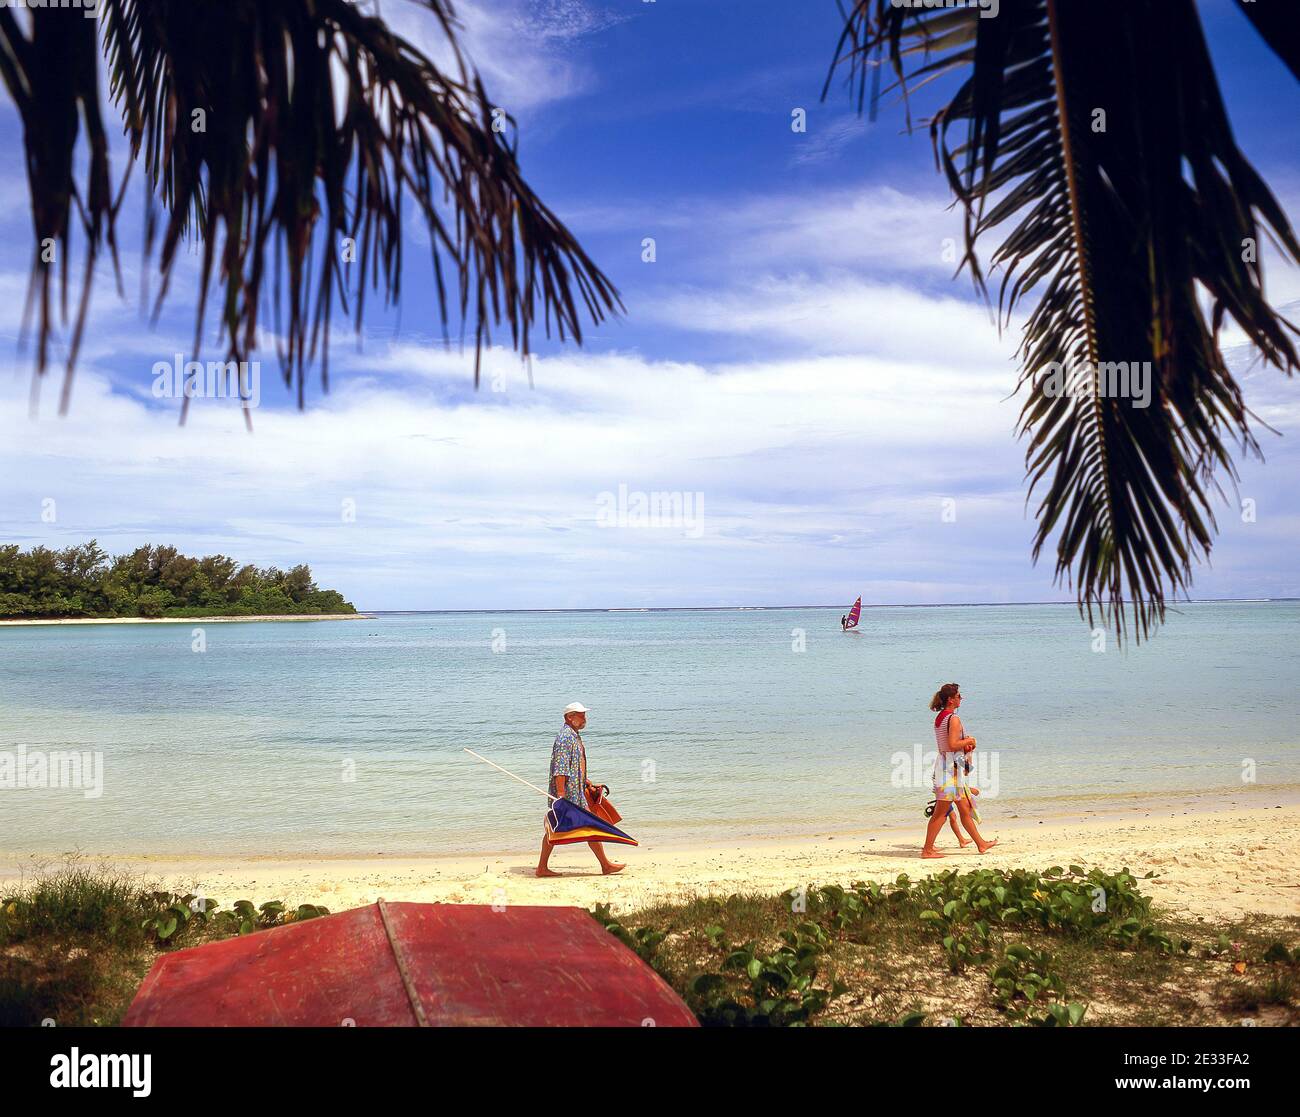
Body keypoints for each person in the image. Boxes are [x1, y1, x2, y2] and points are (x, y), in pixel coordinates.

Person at [536, 702, 626, 877]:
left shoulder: (573, 735)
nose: (585, 718)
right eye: (581, 715)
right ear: (570, 717)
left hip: (576, 791)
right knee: (580, 827)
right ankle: (605, 865)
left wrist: (586, 782)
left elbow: (574, 766)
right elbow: (560, 769)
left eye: (584, 715)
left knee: (568, 828)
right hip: (568, 795)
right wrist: (561, 797)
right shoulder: (565, 737)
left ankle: (543, 867)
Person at [921, 683, 997, 858]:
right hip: (949, 772)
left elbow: (947, 746)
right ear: (951, 699)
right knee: (940, 814)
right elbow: (953, 744)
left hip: (947, 767)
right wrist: (970, 740)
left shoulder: (941, 717)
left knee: (964, 810)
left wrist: (965, 748)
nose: (961, 699)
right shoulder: (953, 719)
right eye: (959, 696)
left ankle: (981, 844)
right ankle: (927, 850)